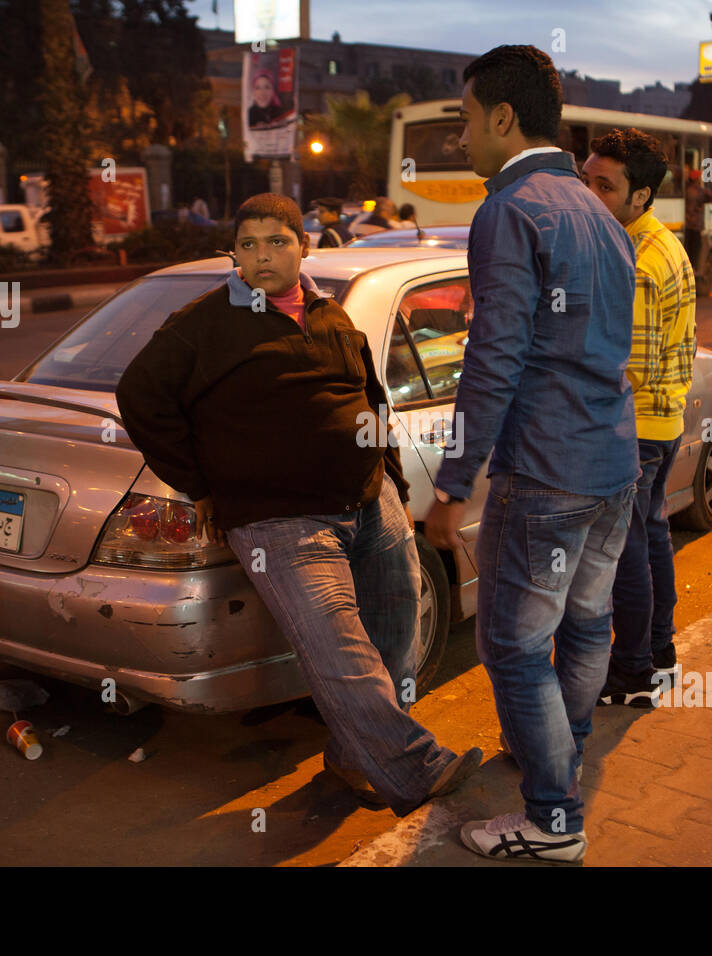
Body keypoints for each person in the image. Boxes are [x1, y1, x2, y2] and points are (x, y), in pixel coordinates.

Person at [115, 193, 482, 814]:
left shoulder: (331, 316)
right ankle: (415, 769)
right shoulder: (201, 326)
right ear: (233, 252)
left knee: (395, 638)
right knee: (341, 652)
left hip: (371, 502)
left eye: (277, 241)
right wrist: (201, 484)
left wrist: (390, 475)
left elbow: (371, 399)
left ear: (303, 246)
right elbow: (140, 397)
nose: (263, 255)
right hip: (278, 522)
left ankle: (351, 759)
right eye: (249, 243)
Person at [423, 45, 637, 864]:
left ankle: (553, 818)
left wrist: (451, 484)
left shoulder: (510, 211)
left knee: (513, 645)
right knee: (584, 626)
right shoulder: (597, 212)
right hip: (611, 467)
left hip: (546, 475)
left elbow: (494, 359)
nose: (464, 138)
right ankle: (562, 757)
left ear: (504, 118)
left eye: (468, 120)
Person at [580, 128, 696, 710]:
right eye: (586, 180)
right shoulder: (653, 242)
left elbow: (630, 369)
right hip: (661, 425)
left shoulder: (640, 261)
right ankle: (659, 657)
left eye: (605, 185)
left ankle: (630, 673)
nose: (590, 194)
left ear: (641, 196)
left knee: (625, 554)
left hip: (638, 430)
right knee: (651, 542)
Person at [683, 168, 708, 267]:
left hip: (688, 224)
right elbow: (711, 196)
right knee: (695, 251)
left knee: (688, 249)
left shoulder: (686, 189)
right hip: (695, 225)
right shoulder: (698, 191)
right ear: (696, 179)